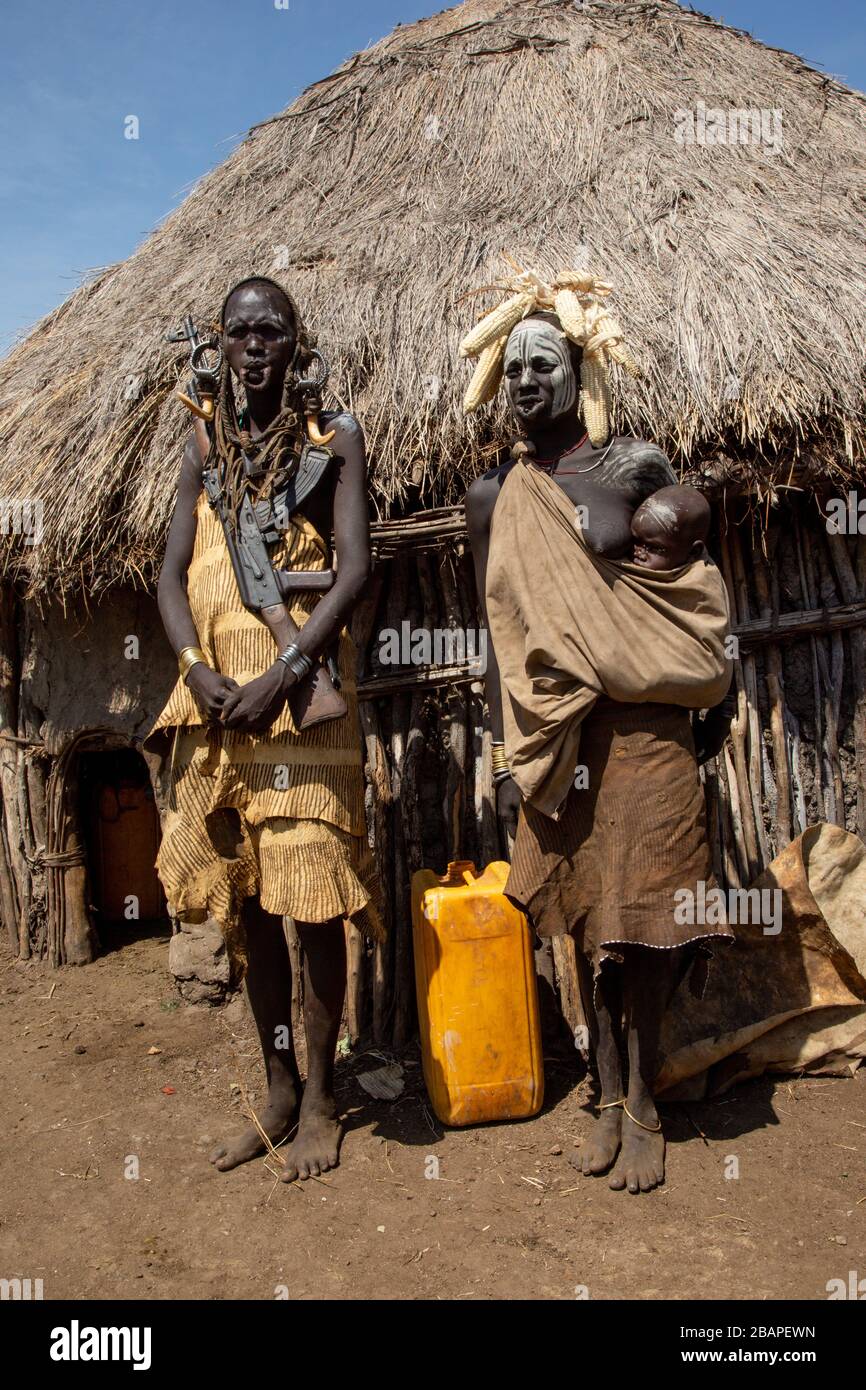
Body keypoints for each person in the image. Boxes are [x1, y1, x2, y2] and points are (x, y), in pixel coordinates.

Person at [463, 270, 734, 1194]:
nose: (529, 382)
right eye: (514, 370)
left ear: (579, 372)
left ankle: (646, 1100)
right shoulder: (493, 498)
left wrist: (713, 705)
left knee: (646, 922)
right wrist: (510, 753)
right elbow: (500, 632)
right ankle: (608, 1091)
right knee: (584, 922)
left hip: (649, 733)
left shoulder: (636, 469)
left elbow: (693, 603)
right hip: (558, 741)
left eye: (547, 364)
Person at [146, 276, 382, 1181]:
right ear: (221, 339)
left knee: (313, 907)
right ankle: (278, 1089)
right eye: (239, 330)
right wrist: (196, 671)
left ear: (294, 342)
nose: (253, 345)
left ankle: (324, 1100)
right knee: (245, 901)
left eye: (270, 331)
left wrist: (285, 668)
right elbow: (170, 576)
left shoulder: (336, 438)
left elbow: (356, 568)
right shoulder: (202, 444)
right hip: (214, 715)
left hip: (301, 711)